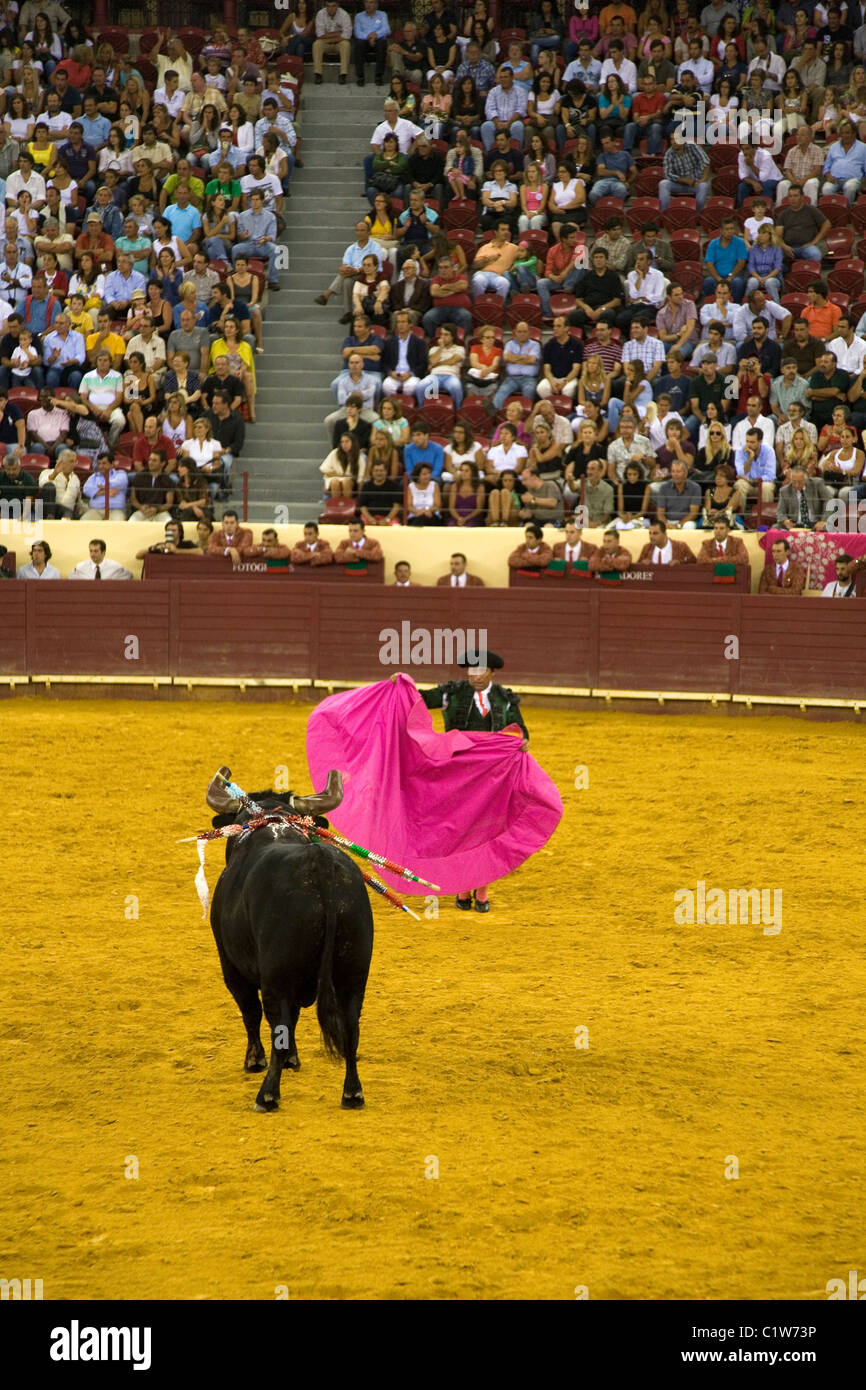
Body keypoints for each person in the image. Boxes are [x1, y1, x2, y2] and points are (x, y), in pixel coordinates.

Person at [418, 648, 529, 912]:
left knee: (487, 830)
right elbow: (417, 700)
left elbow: (520, 729)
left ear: (491, 672)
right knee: (459, 829)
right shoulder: (451, 694)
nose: (475, 676)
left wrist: (523, 741)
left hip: (492, 776)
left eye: (480, 671)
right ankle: (461, 889)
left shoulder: (504, 700)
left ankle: (481, 890)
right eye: (471, 671)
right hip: (456, 772)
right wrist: (400, 685)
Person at [68, 538, 133, 580]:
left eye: (96, 551)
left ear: (103, 552)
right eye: (91, 551)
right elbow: (70, 576)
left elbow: (129, 575)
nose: (92, 554)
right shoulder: (81, 567)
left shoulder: (115, 566)